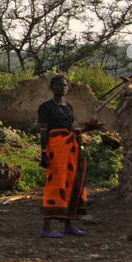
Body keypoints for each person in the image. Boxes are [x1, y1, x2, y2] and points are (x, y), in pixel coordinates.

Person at [38, 75, 88, 238]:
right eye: (60, 85)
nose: (63, 88)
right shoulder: (45, 107)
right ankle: (46, 227)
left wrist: (81, 133)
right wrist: (44, 152)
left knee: (71, 184)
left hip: (71, 149)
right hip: (56, 148)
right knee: (55, 184)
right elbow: (44, 132)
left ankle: (68, 224)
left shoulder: (69, 107)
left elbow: (71, 127)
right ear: (52, 88)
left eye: (65, 85)